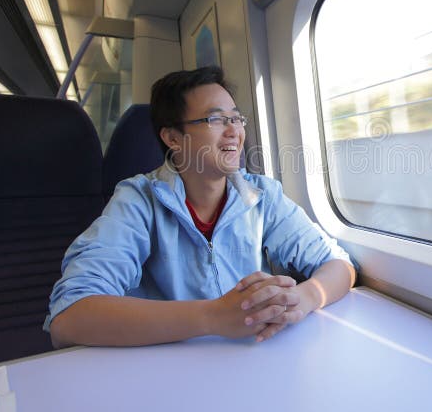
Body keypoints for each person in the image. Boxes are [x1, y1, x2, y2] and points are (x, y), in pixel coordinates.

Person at [46, 66, 356, 347]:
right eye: (216, 119)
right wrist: (211, 317)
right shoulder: (138, 201)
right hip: (166, 369)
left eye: (236, 118)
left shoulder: (262, 195)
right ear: (172, 137)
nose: (234, 130)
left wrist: (302, 298)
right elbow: (71, 315)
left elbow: (339, 266)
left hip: (249, 361)